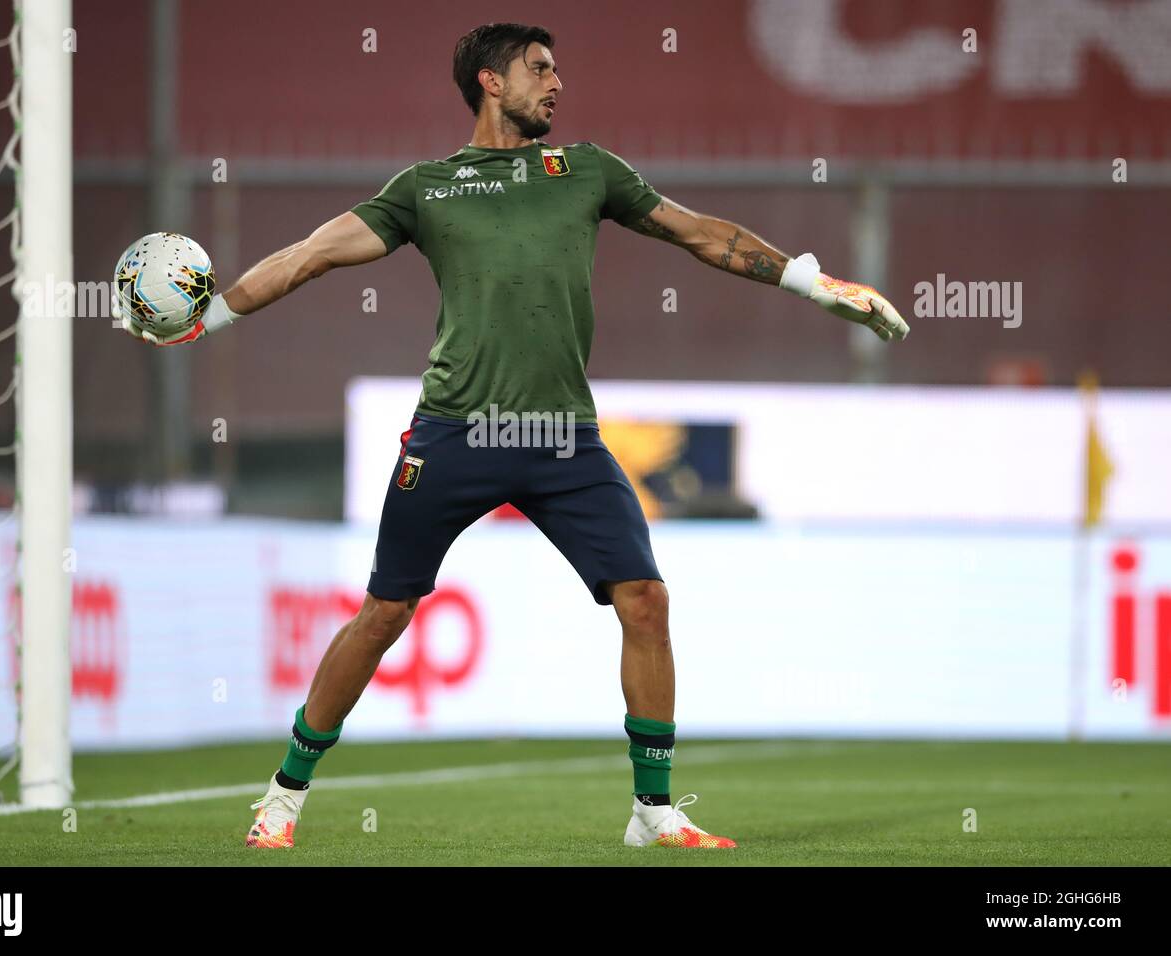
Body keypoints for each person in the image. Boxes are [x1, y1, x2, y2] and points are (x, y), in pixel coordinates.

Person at [122, 22, 909, 850]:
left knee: (646, 601)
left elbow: (696, 231)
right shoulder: (426, 187)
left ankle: (654, 811)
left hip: (563, 437)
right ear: (491, 83)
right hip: (454, 434)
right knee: (385, 614)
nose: (556, 83)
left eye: (558, 69)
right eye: (540, 69)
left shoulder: (589, 171)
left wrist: (811, 282)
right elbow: (315, 253)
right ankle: (282, 797)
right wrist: (209, 315)